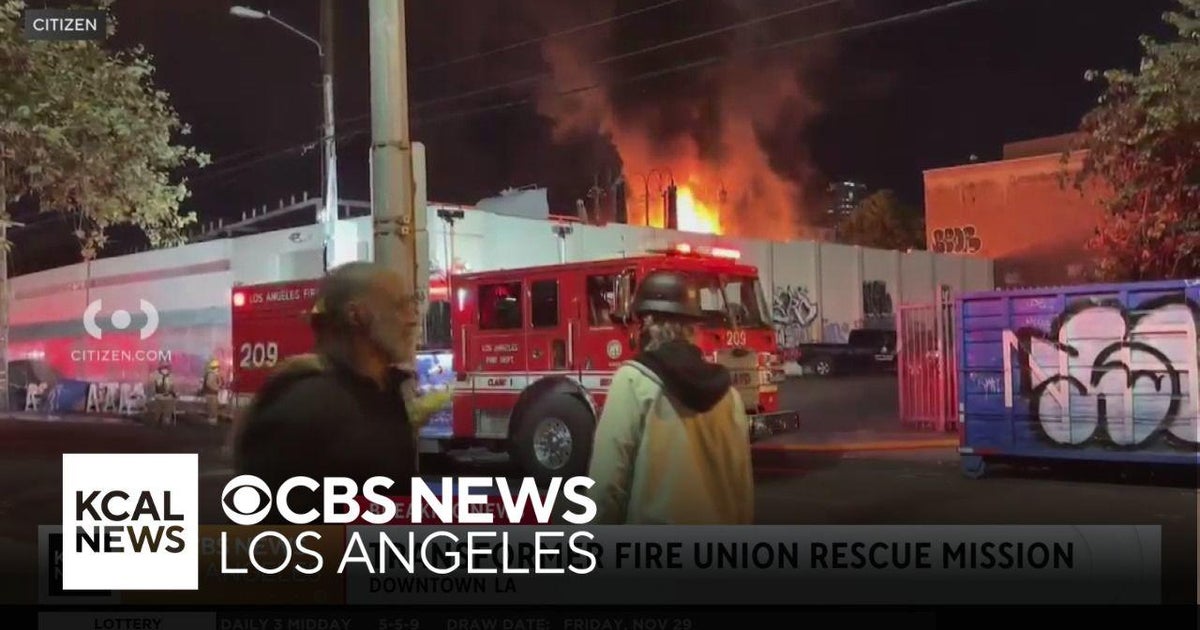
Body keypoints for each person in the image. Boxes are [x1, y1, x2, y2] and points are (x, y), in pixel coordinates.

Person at [232, 262, 424, 523]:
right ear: (356, 315)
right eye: (400, 306)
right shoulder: (304, 410)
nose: (413, 318)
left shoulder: (384, 393)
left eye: (414, 304)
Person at [587, 270, 754, 524]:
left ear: (649, 323)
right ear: (692, 329)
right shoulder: (729, 396)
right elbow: (743, 492)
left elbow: (605, 486)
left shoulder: (632, 382)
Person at [148, 361, 176, 427]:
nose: (165, 370)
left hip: (168, 398)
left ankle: (166, 425)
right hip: (159, 397)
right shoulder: (157, 376)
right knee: (157, 416)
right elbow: (153, 386)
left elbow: (173, 387)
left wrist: (173, 393)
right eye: (163, 368)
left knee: (167, 415)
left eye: (166, 368)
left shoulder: (171, 377)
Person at [201, 359, 223, 425]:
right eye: (217, 367)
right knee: (213, 407)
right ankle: (212, 420)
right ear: (215, 367)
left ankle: (212, 419)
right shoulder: (211, 374)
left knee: (212, 407)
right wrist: (216, 388)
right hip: (211, 393)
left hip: (210, 393)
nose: (218, 369)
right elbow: (209, 383)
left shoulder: (212, 374)